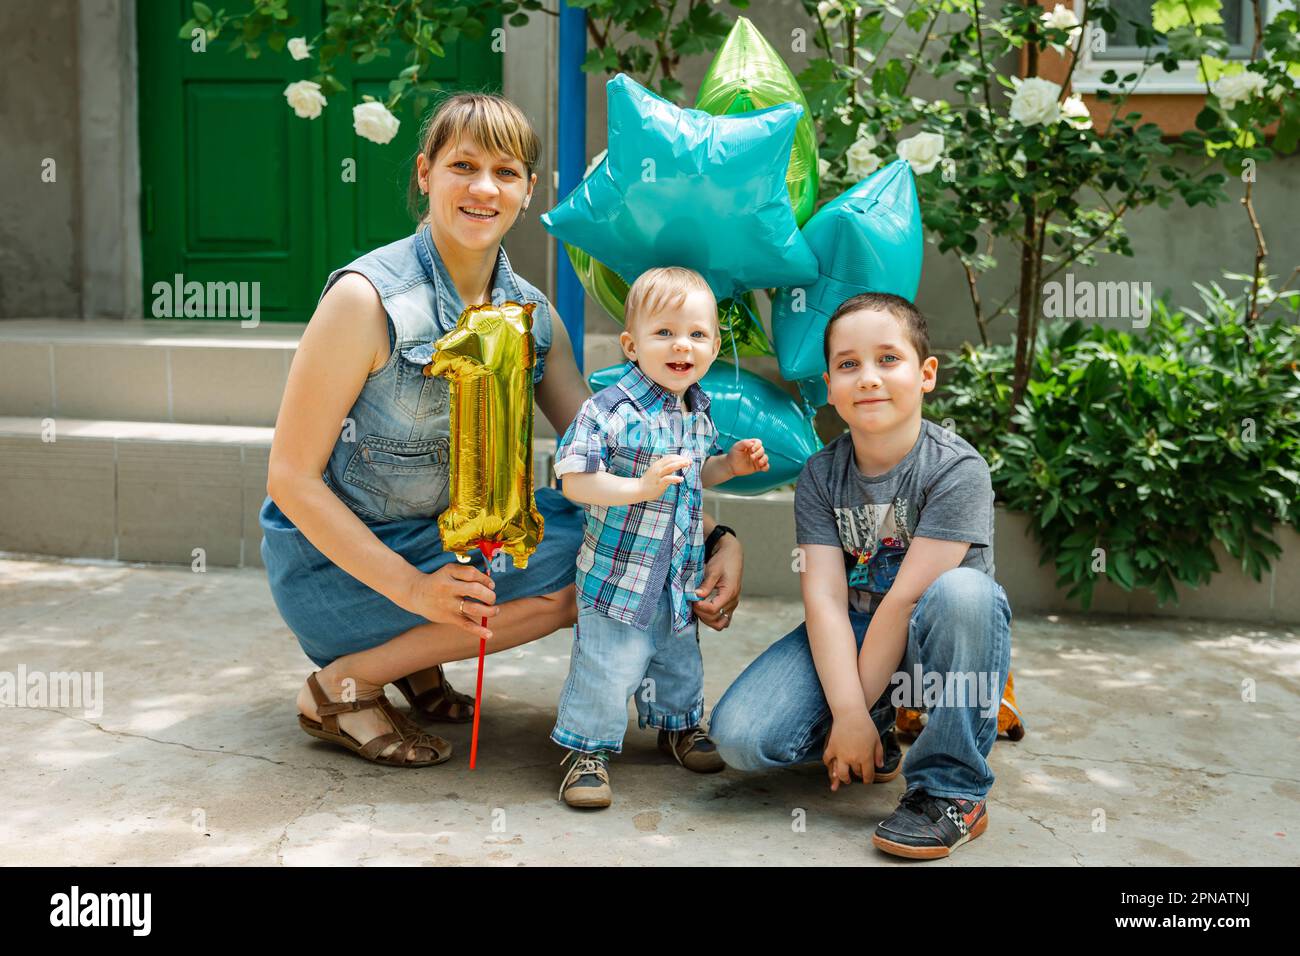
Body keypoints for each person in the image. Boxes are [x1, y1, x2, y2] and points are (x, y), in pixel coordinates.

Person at [260, 94, 746, 768]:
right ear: (425, 173)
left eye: (505, 172)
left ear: (529, 190)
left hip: (455, 542)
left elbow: (613, 453)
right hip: (340, 570)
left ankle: (418, 663)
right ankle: (343, 687)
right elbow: (289, 480)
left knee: (625, 556)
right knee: (583, 581)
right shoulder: (365, 302)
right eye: (463, 165)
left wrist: (709, 536)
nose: (484, 187)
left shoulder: (533, 317)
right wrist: (414, 588)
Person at [708, 292, 1012, 859]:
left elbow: (904, 600)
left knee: (965, 593)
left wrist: (842, 713)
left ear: (926, 375)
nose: (867, 377)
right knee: (741, 739)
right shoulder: (823, 475)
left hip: (931, 632)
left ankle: (951, 790)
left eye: (888, 359)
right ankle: (876, 721)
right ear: (829, 384)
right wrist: (851, 714)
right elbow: (823, 601)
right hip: (854, 628)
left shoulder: (956, 468)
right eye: (848, 364)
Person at [549, 267, 769, 807]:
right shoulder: (608, 411)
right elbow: (574, 482)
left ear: (715, 346)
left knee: (678, 658)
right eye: (664, 333)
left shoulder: (699, 411)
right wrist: (638, 487)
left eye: (697, 334)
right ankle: (587, 752)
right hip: (618, 576)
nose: (681, 346)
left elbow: (695, 476)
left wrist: (728, 467)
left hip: (676, 574)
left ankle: (678, 725)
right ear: (631, 344)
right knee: (608, 665)